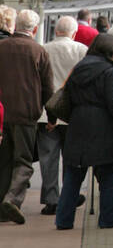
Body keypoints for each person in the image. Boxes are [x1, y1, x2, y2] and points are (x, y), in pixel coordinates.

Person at [54, 34, 113, 230]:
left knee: (73, 177)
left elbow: (67, 96)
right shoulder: (108, 71)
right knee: (108, 177)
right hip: (103, 127)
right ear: (109, 52)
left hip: (77, 125)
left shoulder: (79, 67)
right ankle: (109, 219)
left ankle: (63, 220)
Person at [0, 9, 54, 223]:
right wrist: (51, 116)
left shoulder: (1, 48)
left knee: (3, 161)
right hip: (26, 114)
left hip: (3, 115)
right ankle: (12, 200)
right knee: (23, 161)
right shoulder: (38, 51)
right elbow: (48, 88)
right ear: (35, 29)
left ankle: (2, 207)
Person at [36, 16, 86, 215]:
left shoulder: (43, 49)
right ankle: (69, 196)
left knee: (48, 157)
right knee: (71, 158)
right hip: (72, 114)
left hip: (46, 114)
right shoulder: (82, 50)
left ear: (56, 31)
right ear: (74, 33)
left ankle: (51, 199)